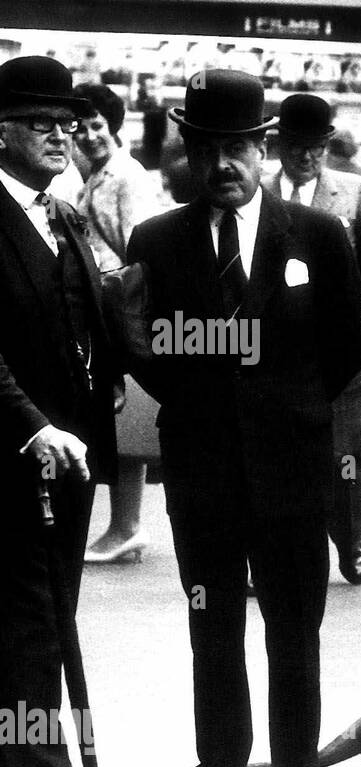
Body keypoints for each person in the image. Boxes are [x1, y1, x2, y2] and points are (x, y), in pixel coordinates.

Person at [128, 70, 361, 767]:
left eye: (238, 147)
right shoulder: (157, 242)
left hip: (294, 475)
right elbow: (146, 348)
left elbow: (346, 349)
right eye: (207, 148)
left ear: (264, 148)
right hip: (202, 476)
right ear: (189, 154)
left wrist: (285, 411)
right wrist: (207, 404)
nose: (224, 164)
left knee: (295, 634)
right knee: (213, 628)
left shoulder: (319, 238)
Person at [0, 55, 135, 767]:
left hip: (75, 458)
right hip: (15, 458)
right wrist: (31, 423)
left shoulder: (66, 214)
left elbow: (101, 319)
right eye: (44, 124)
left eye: (68, 123)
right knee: (33, 629)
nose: (63, 136)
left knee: (37, 627)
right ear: (2, 132)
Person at [265, 93, 361, 586]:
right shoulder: (259, 191)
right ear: (279, 145)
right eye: (297, 146)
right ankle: (287, 552)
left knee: (344, 456)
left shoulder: (357, 192)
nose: (307, 156)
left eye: (317, 146)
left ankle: (349, 537)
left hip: (344, 354)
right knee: (280, 454)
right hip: (278, 353)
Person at [72, 82, 166, 565]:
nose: (88, 136)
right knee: (118, 417)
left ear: (114, 127)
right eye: (80, 127)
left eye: (96, 126)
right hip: (110, 305)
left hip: (125, 307)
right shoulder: (98, 175)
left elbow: (140, 248)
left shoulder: (126, 176)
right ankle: (121, 524)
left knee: (128, 417)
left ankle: (127, 525)